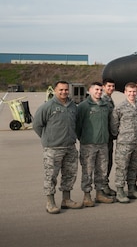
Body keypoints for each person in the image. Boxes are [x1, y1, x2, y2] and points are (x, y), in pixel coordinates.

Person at [33, 81, 82, 214]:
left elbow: (76, 123)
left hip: (70, 147)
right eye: (60, 90)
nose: (63, 92)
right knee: (51, 176)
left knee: (70, 174)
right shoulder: (47, 106)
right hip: (53, 148)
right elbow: (37, 125)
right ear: (55, 90)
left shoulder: (73, 106)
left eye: (66, 90)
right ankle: (50, 202)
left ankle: (66, 199)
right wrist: (47, 139)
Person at [76, 82, 114, 206]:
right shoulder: (83, 106)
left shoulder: (105, 105)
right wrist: (83, 138)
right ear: (90, 90)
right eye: (96, 89)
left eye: (100, 90)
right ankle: (87, 196)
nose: (99, 92)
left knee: (102, 171)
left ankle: (99, 193)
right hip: (89, 144)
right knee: (87, 171)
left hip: (103, 144)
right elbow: (77, 125)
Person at [110, 82, 137, 203]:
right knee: (122, 167)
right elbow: (114, 125)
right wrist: (120, 136)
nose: (132, 94)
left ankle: (132, 188)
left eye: (134, 92)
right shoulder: (119, 107)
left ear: (136, 93)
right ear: (125, 93)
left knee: (135, 167)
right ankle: (120, 190)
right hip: (124, 143)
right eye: (129, 92)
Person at [101, 78, 117, 197]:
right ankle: (102, 187)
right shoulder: (102, 100)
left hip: (109, 137)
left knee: (108, 162)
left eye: (112, 86)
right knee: (104, 163)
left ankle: (105, 185)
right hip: (104, 137)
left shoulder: (109, 100)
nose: (111, 88)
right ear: (103, 87)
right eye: (109, 86)